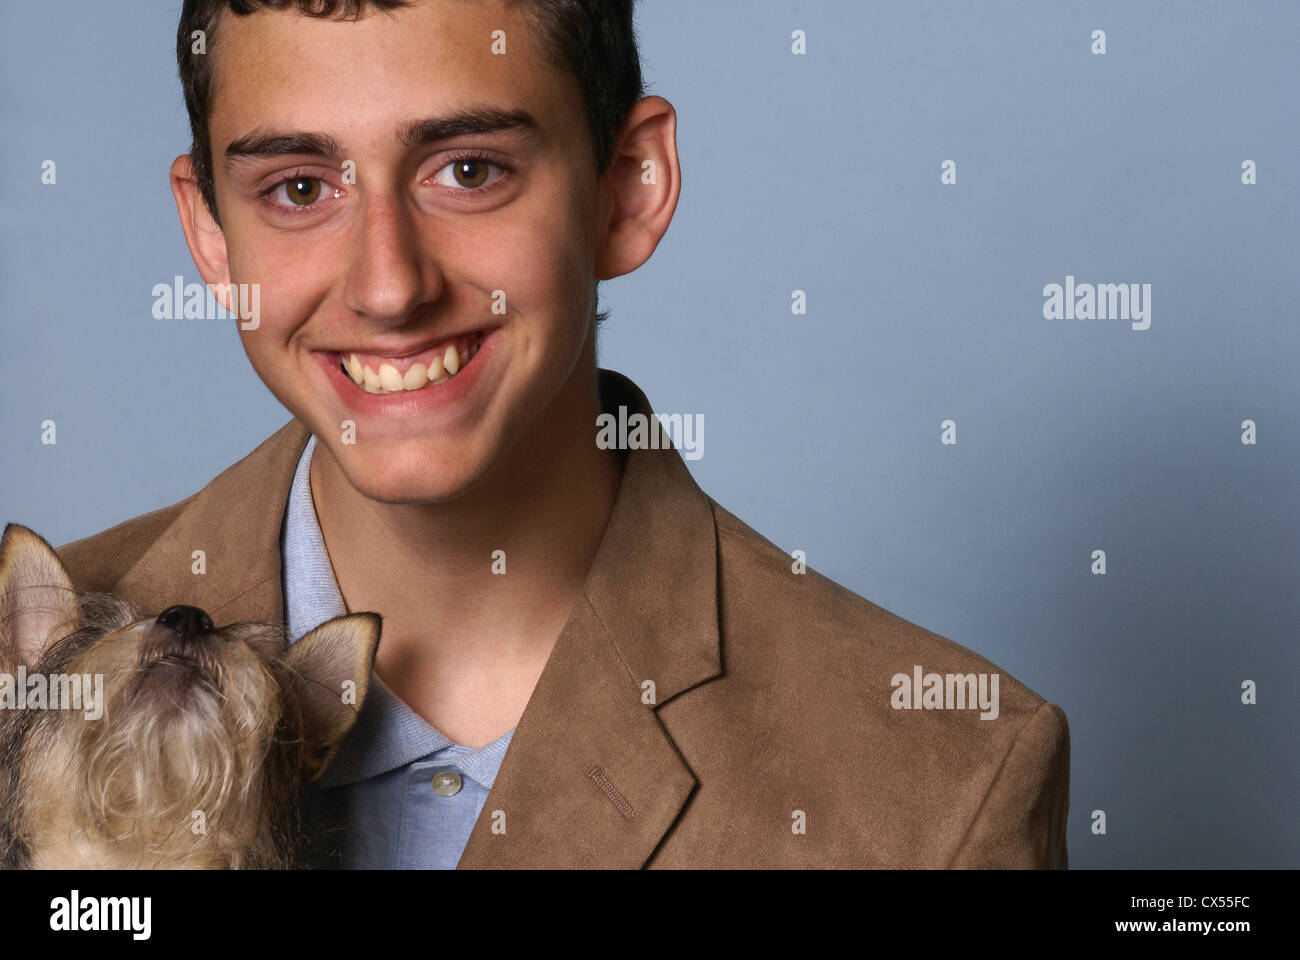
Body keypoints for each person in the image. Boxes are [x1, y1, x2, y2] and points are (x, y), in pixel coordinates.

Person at [58, 0, 1069, 868]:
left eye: (468, 171)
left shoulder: (938, 793)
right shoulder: (20, 673)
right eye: (300, 189)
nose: (388, 285)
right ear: (208, 232)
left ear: (627, 186)